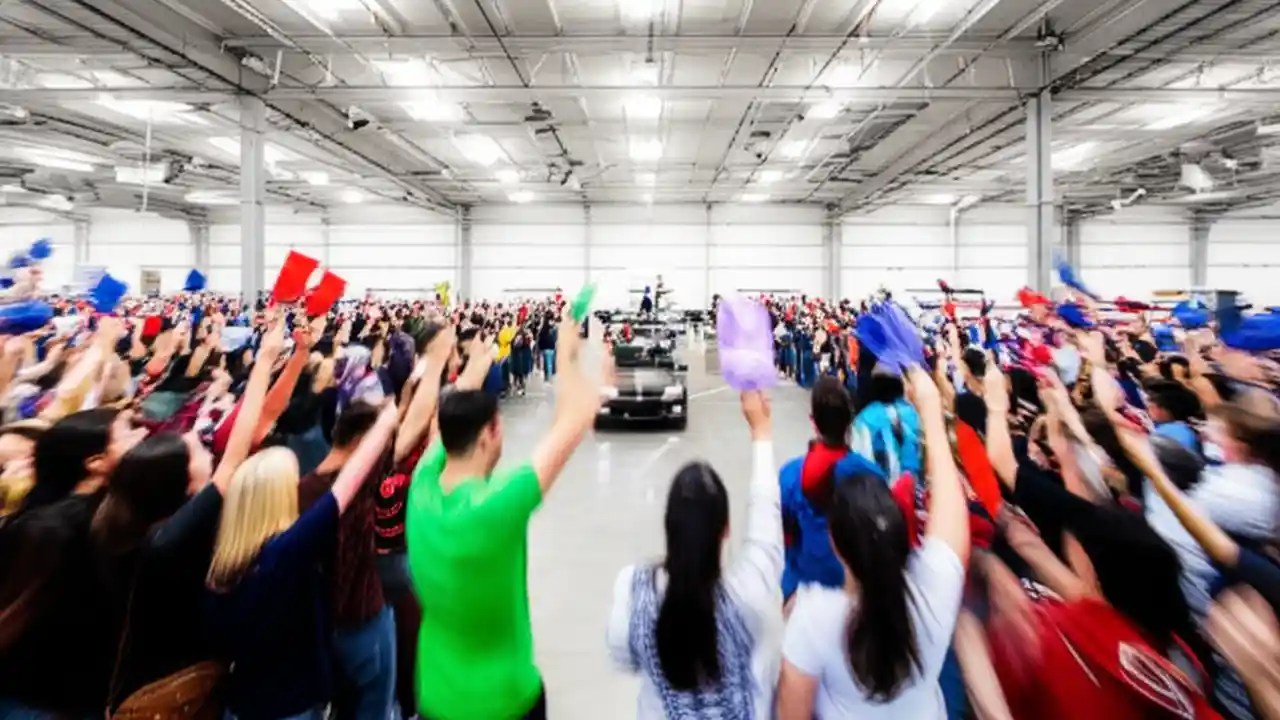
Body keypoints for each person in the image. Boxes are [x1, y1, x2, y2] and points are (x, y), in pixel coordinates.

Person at [406, 312, 603, 720]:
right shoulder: (496, 506)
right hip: (504, 699)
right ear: (490, 434)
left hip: (437, 696)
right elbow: (575, 419)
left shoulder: (421, 487)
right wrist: (571, 348)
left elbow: (442, 423)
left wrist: (464, 365)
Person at [206, 318, 401, 720]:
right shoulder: (281, 556)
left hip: (243, 701)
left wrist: (274, 360)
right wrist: (387, 422)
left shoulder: (220, 568)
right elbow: (343, 489)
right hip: (293, 705)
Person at [777, 365, 969, 719]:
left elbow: (785, 538)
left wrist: (788, 592)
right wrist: (930, 408)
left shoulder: (814, 615)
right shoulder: (934, 592)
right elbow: (952, 516)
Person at [606, 390, 780, 718]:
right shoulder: (748, 596)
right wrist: (761, 432)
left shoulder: (633, 589)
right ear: (726, 528)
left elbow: (621, 654)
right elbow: (765, 526)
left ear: (668, 526)